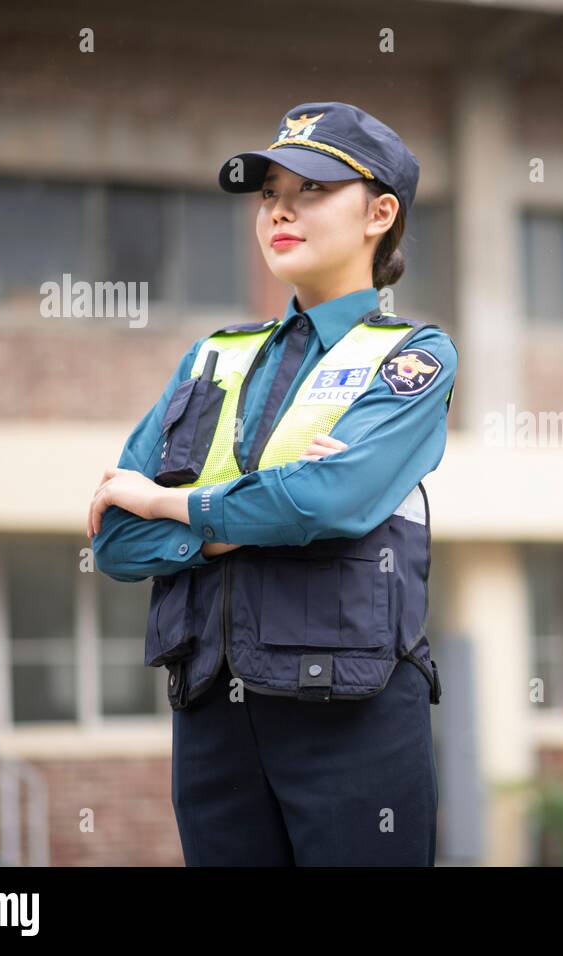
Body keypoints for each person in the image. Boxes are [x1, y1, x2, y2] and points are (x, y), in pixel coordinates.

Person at [86, 101, 455, 866]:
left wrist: (171, 502)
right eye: (268, 193)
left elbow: (334, 499)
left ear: (379, 214)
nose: (280, 210)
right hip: (213, 721)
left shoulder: (410, 357)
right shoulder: (211, 358)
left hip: (350, 717)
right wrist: (264, 508)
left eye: (312, 190)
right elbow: (119, 540)